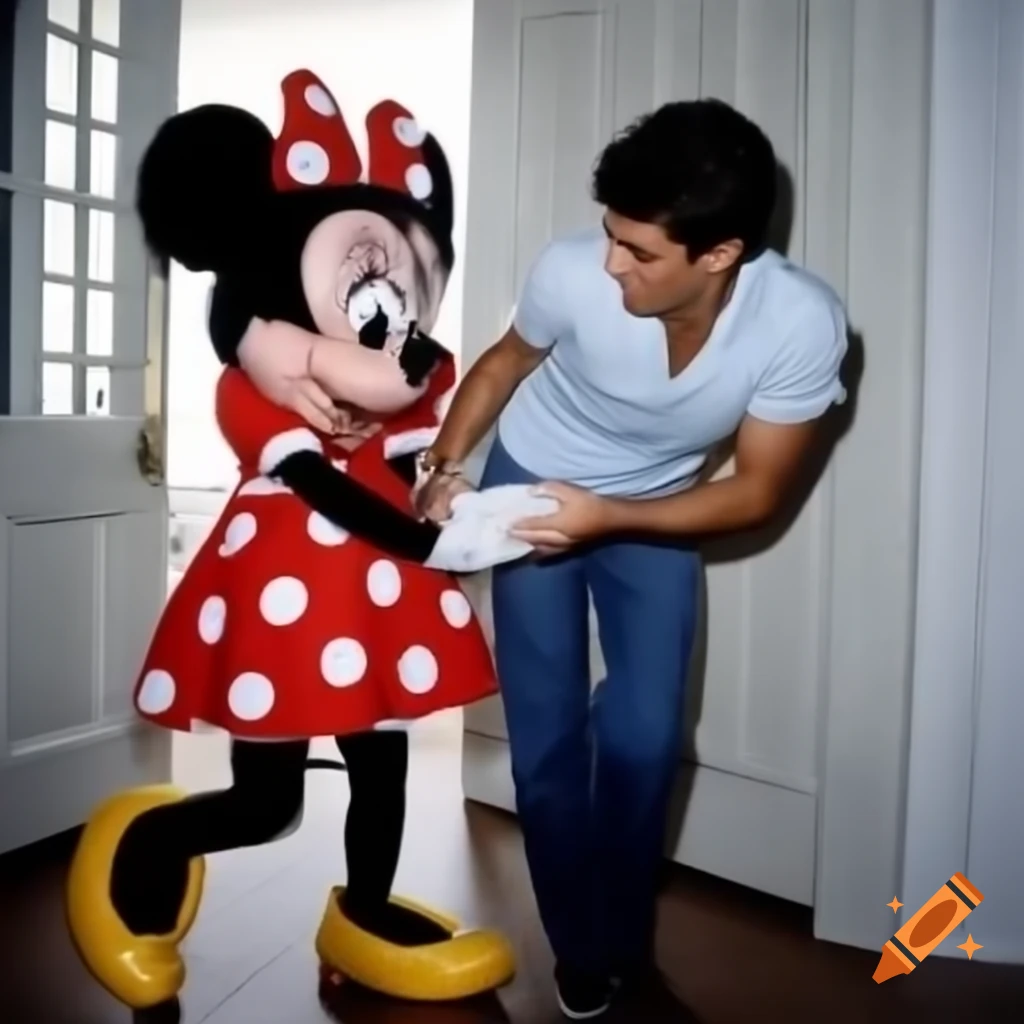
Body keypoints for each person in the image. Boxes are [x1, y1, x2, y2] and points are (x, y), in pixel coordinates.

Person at [412, 98, 848, 1019]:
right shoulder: (573, 272)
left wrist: (608, 515)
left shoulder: (801, 324)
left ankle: (620, 925)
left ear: (720, 253)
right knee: (546, 743)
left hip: (651, 507)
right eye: (611, 235)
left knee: (648, 737)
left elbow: (760, 490)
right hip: (532, 488)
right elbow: (500, 362)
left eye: (640, 252)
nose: (610, 263)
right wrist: (446, 465)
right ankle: (585, 949)